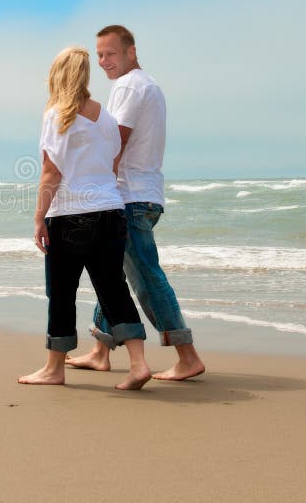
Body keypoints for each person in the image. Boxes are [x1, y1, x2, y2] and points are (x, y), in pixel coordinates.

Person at [66, 25, 205, 381]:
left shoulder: (128, 86)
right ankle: (100, 350)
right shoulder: (149, 84)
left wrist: (96, 190)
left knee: (144, 276)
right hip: (145, 194)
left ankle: (187, 355)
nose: (103, 61)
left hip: (128, 196)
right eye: (99, 55)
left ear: (131, 52)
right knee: (112, 272)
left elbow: (115, 142)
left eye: (111, 53)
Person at [18, 46, 151, 390]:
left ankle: (53, 369)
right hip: (111, 211)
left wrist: (38, 218)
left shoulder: (57, 114)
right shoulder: (104, 117)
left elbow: (50, 172)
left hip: (73, 216)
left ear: (57, 75)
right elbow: (112, 164)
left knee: (61, 292)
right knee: (113, 289)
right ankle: (138, 364)